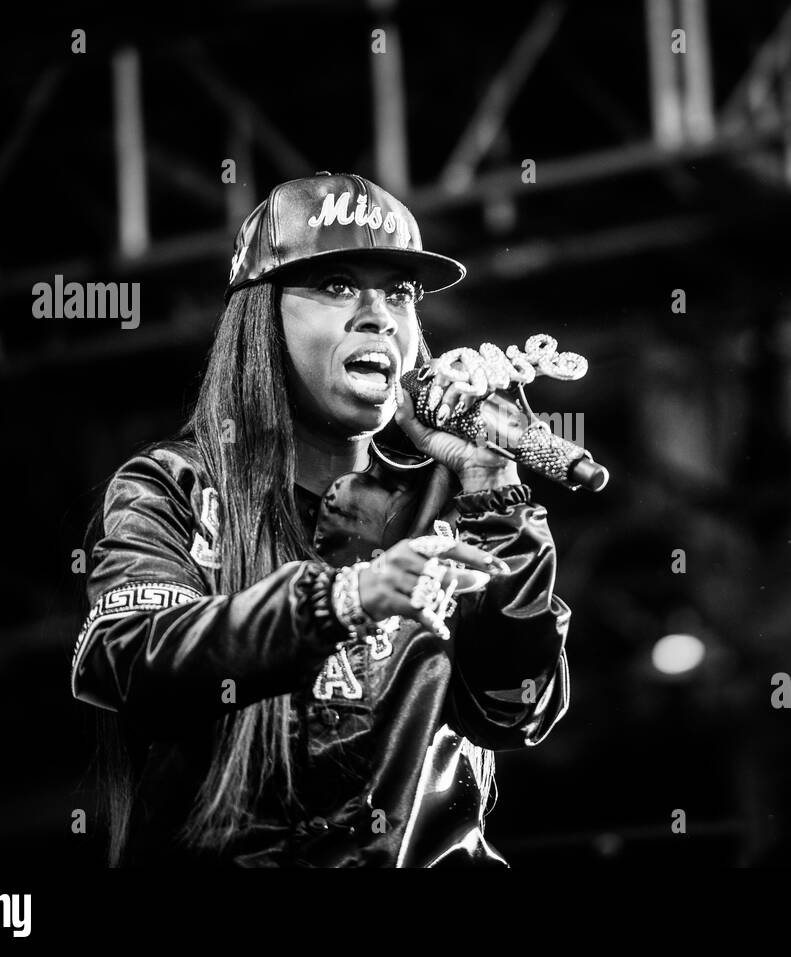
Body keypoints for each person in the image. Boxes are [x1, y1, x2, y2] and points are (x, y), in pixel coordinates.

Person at [70, 173, 571, 867]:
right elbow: (124, 659)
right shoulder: (173, 487)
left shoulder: (447, 501)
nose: (377, 315)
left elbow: (515, 708)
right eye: (337, 286)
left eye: (398, 293)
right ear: (261, 316)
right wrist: (341, 599)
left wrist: (495, 487)